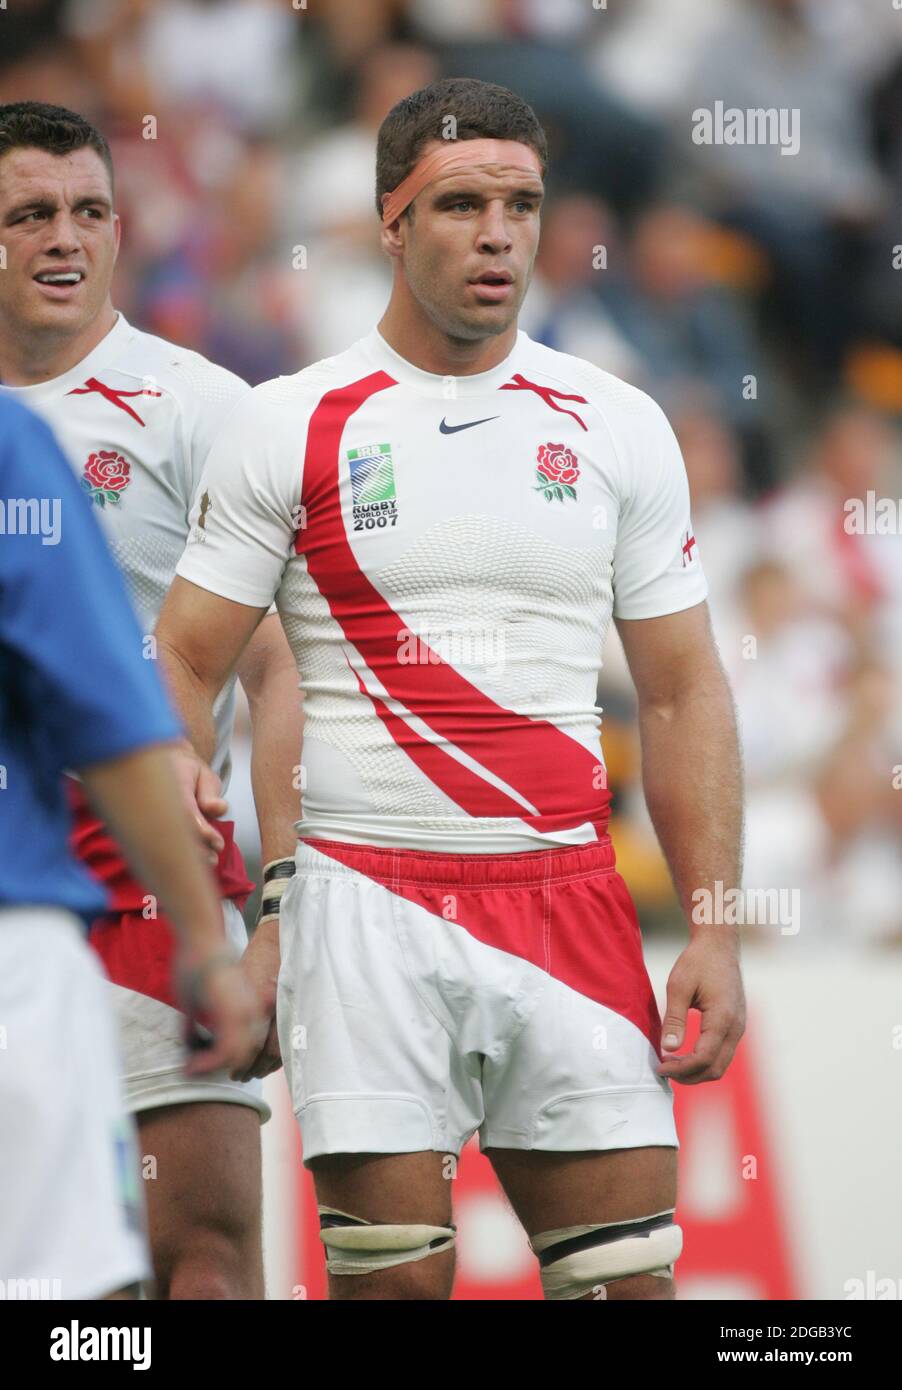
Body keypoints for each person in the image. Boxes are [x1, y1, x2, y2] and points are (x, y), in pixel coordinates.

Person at [156, 77, 746, 1301]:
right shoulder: (288, 422)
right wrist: (245, 906)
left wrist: (714, 924)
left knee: (628, 1288)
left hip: (569, 897)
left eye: (519, 205)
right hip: (365, 908)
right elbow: (188, 658)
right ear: (391, 220)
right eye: (460, 204)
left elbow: (682, 690)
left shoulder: (616, 422)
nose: (496, 235)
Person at [0, 101, 301, 1299]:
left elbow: (280, 667)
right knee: (59, 1288)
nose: (64, 238)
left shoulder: (198, 407)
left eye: (90, 211)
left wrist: (276, 903)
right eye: (30, 214)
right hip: (22, 870)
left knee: (200, 1261)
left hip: (146, 870)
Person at [0, 395, 264, 1299]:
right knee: (75, 1300)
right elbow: (110, 722)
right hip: (19, 934)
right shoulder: (11, 448)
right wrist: (203, 936)